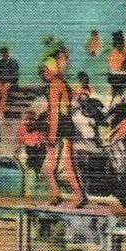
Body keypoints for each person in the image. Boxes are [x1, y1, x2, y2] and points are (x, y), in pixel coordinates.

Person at [42, 53, 84, 206]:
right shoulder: (63, 83)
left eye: (46, 70)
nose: (44, 74)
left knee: (66, 163)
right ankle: (56, 194)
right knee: (52, 166)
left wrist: (52, 135)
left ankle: (79, 195)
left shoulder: (54, 85)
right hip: (65, 123)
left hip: (61, 125)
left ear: (52, 70)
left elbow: (54, 113)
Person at [16, 107, 48, 199]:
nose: (28, 122)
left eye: (31, 120)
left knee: (36, 168)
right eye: (26, 120)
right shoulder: (22, 128)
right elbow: (19, 140)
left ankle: (34, 186)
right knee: (30, 168)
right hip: (29, 149)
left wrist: (41, 142)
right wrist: (17, 149)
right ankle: (29, 189)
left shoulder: (38, 128)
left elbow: (43, 139)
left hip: (39, 150)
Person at [0, 46, 19, 145]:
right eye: (1, 53)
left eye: (4, 53)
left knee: (4, 90)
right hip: (0, 80)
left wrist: (10, 81)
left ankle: (1, 111)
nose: (3, 54)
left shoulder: (13, 61)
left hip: (9, 81)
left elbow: (15, 74)